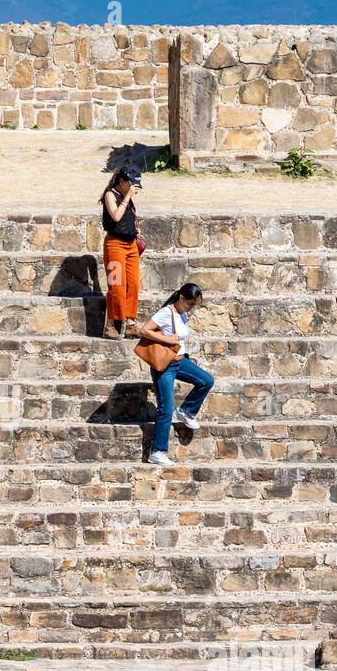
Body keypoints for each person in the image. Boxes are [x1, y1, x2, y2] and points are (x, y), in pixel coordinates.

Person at [139, 282, 215, 467]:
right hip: (165, 365)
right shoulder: (167, 312)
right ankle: (157, 452)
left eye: (194, 305)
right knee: (165, 408)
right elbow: (144, 330)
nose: (192, 308)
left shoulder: (183, 313)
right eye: (190, 304)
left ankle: (186, 411)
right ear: (181, 298)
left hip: (180, 361)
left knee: (206, 380)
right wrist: (166, 338)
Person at [101, 163, 143, 338]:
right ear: (123, 181)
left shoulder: (127, 195)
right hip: (115, 246)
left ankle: (131, 322)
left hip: (130, 246)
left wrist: (135, 229)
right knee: (116, 286)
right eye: (131, 184)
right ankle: (111, 325)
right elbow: (116, 216)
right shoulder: (110, 194)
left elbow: (126, 218)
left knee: (133, 285)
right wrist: (128, 197)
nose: (133, 188)